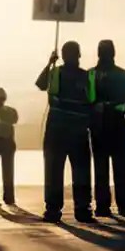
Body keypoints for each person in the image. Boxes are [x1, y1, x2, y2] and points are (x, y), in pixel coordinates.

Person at [36, 41, 96, 224]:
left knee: (55, 170)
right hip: (75, 129)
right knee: (81, 170)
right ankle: (81, 209)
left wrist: (49, 63)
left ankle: (54, 210)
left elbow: (40, 84)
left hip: (58, 129)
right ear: (79, 55)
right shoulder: (86, 76)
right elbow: (93, 102)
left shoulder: (56, 73)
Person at [89, 40, 125, 219]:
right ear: (114, 53)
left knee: (101, 168)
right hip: (117, 125)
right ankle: (123, 205)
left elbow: (86, 102)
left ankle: (103, 206)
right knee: (120, 168)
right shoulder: (122, 75)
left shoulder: (91, 75)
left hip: (100, 126)